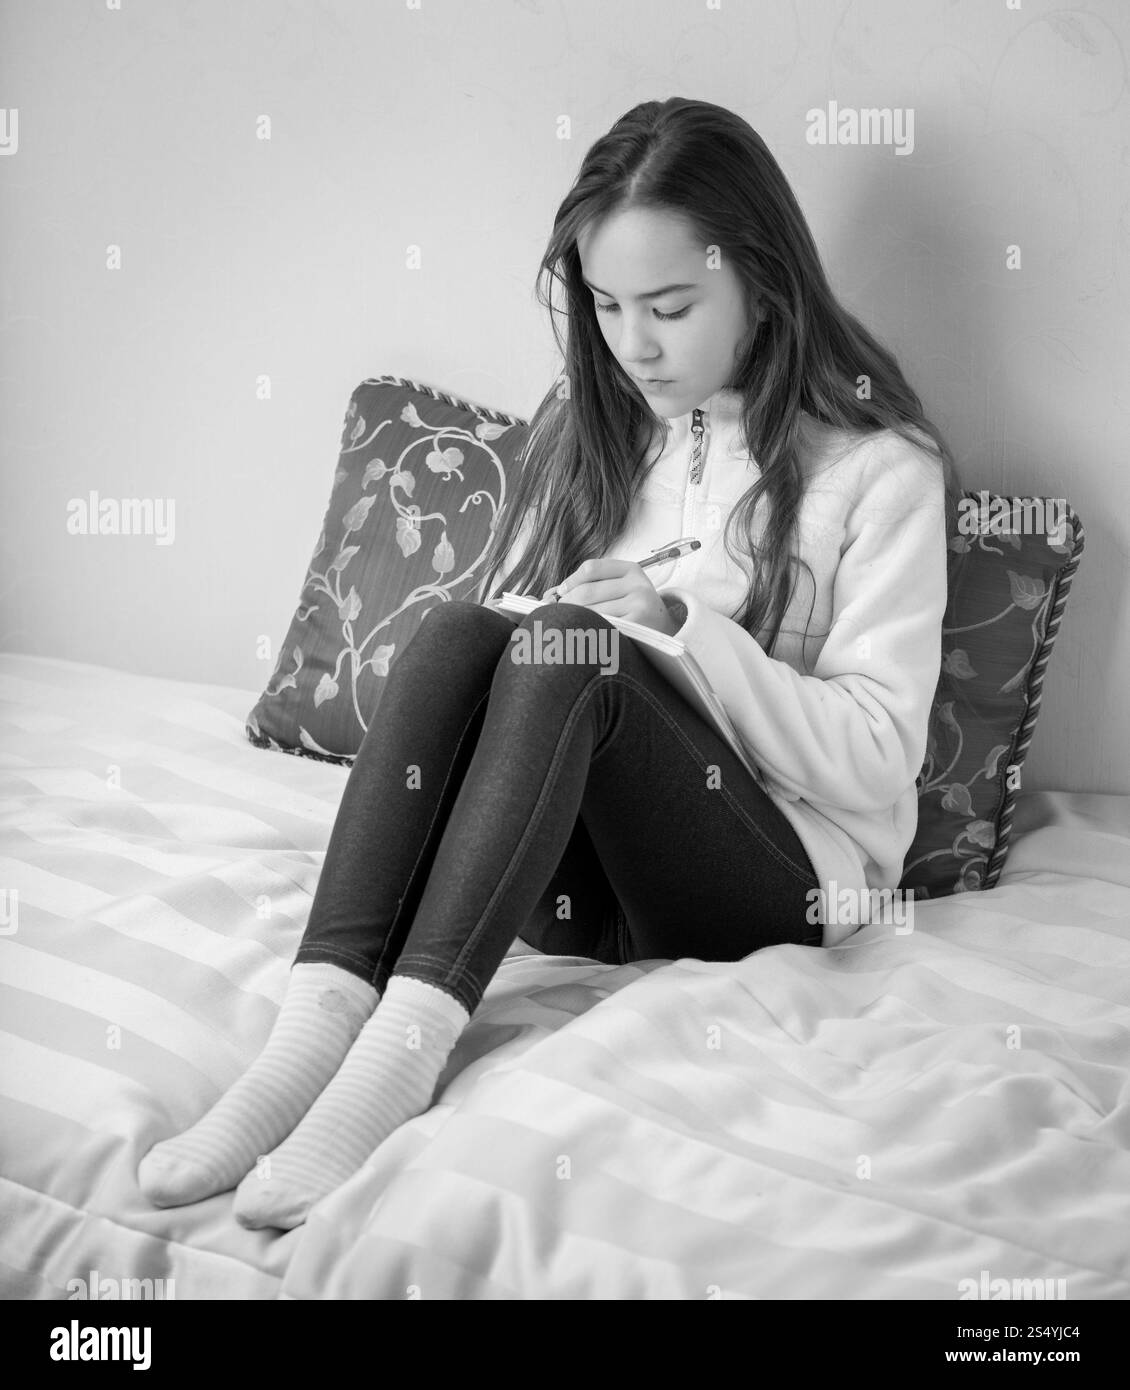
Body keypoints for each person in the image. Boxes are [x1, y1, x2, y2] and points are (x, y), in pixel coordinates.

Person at [138, 96, 955, 1230]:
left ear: (763, 284)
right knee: (461, 631)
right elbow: (516, 663)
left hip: (773, 886)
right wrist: (549, 619)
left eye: (670, 306)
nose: (635, 345)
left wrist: (676, 624)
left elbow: (875, 760)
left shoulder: (878, 473)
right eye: (609, 306)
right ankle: (311, 1035)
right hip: (574, 892)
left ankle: (396, 1062)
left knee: (578, 646)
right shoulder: (597, 428)